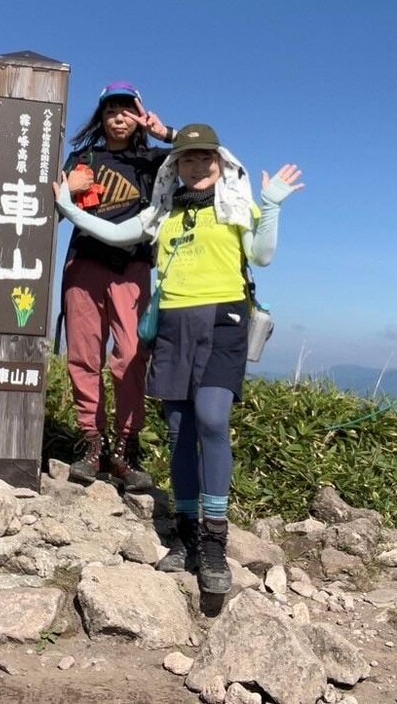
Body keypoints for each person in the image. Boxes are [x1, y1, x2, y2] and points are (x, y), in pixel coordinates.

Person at [55, 123, 303, 596]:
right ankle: (187, 533)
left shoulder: (235, 207)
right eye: (186, 159)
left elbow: (263, 256)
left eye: (204, 159)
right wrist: (67, 206)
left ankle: (213, 538)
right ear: (175, 166)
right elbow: (115, 231)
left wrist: (271, 205)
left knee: (211, 418)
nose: (195, 166)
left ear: (220, 163)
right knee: (179, 429)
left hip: (223, 321)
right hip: (171, 325)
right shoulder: (163, 213)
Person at [58, 82, 176, 487]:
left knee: (130, 355)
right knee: (83, 355)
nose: (119, 117)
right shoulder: (82, 159)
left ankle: (126, 445)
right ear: (100, 117)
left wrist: (167, 134)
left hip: (134, 266)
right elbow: (49, 210)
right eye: (111, 110)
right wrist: (66, 192)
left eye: (127, 110)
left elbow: (209, 164)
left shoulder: (155, 161)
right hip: (85, 264)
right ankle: (93, 442)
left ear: (139, 116)